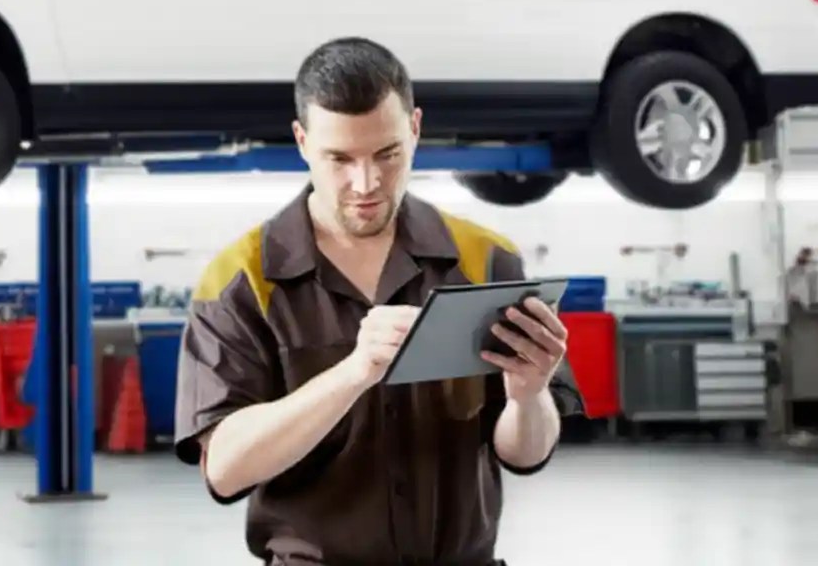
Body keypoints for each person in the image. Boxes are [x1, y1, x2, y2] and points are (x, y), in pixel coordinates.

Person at [174, 37, 584, 566]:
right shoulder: (241, 280)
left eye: (386, 154)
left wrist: (529, 397)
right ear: (302, 141)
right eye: (339, 158)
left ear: (414, 128)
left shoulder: (486, 261)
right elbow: (225, 469)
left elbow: (526, 455)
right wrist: (352, 374)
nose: (365, 183)